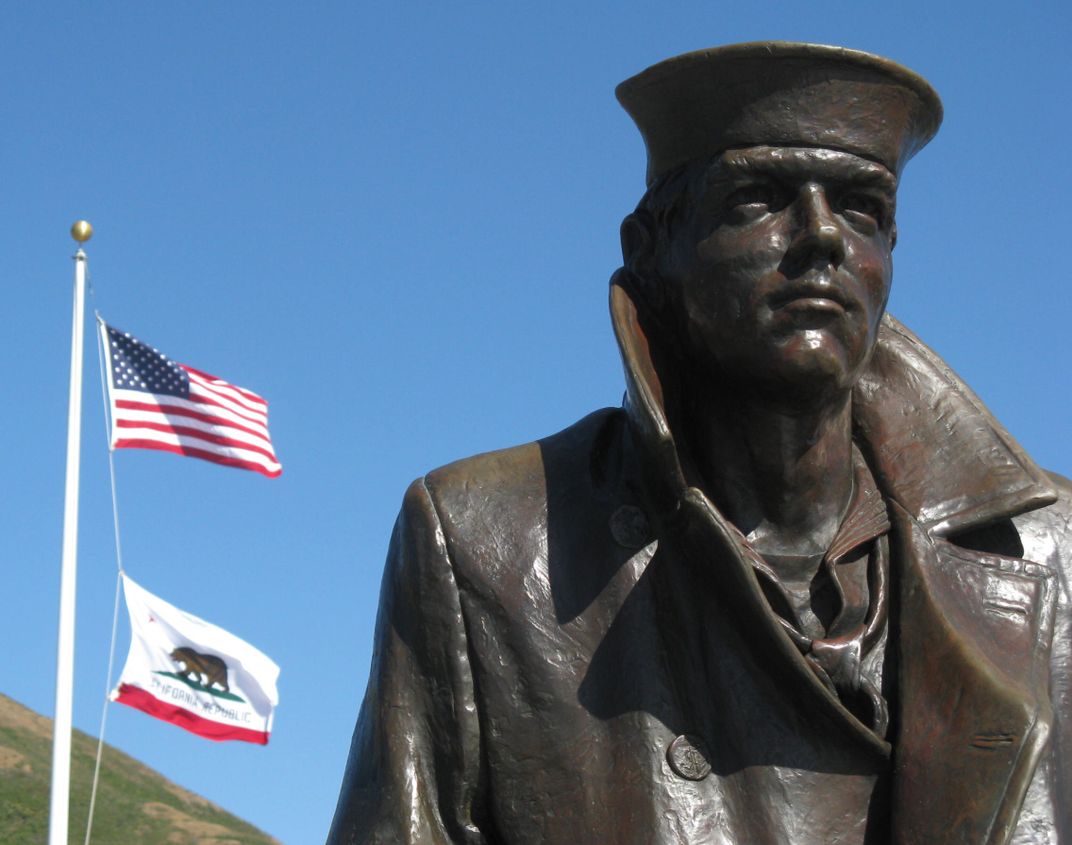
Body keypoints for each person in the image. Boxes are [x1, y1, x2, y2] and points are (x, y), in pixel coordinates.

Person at [327, 43, 1071, 844]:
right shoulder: (487, 542)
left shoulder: (1050, 552)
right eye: (758, 198)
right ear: (652, 249)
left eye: (861, 207)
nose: (821, 236)